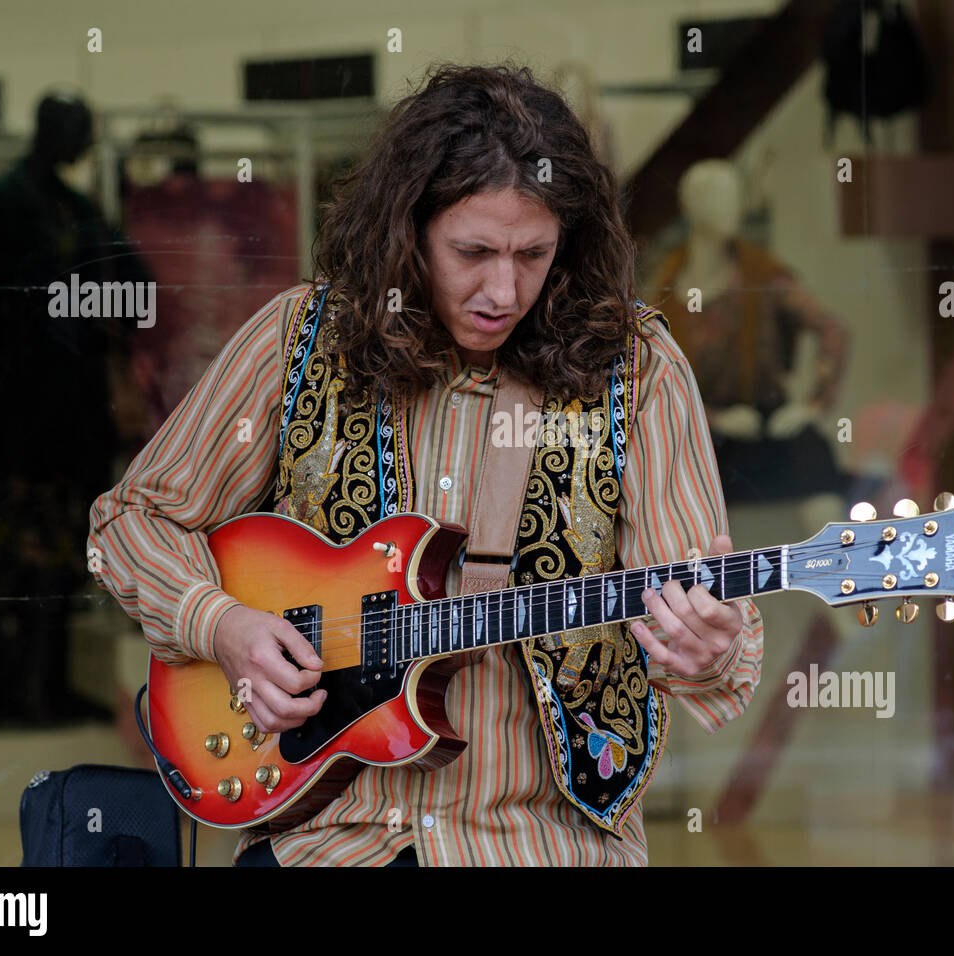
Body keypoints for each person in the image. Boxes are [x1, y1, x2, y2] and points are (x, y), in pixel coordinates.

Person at [88, 62, 765, 866]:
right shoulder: (297, 339)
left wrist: (710, 648)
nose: (503, 289)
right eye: (472, 251)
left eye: (534, 254)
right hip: (327, 840)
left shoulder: (636, 369)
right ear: (405, 232)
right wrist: (224, 625)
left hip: (541, 842)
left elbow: (699, 610)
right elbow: (131, 521)